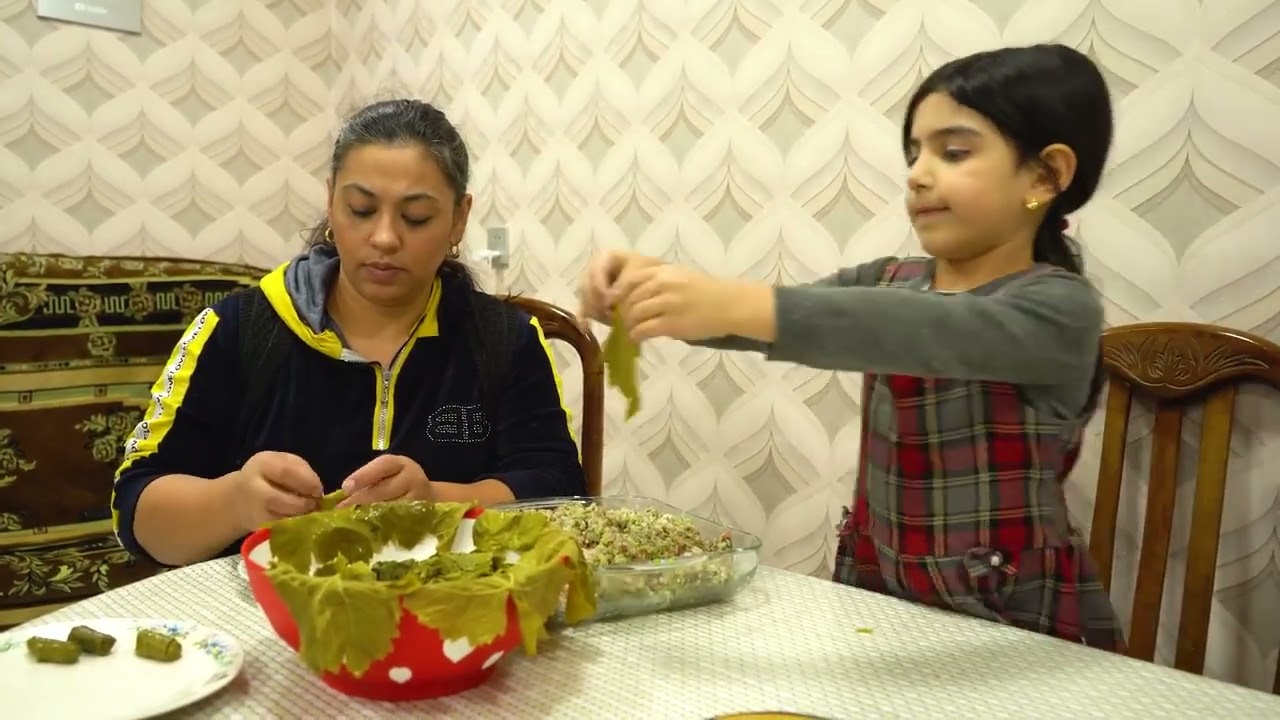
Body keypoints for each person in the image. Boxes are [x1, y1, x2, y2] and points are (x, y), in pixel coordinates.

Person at [579, 44, 1122, 649]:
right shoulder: (890, 279)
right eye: (914, 153)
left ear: (1047, 175)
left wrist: (731, 301)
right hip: (888, 604)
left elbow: (907, 328)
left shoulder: (1060, 308)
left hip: (1014, 624)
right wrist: (650, 293)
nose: (918, 174)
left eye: (955, 151)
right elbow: (778, 319)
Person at [112, 99, 586, 567]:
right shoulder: (238, 331)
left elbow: (558, 491)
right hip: (267, 620)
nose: (384, 238)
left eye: (416, 217)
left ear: (459, 218)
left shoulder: (507, 341)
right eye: (361, 209)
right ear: (331, 201)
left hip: (453, 615)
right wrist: (235, 501)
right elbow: (138, 509)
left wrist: (437, 500)